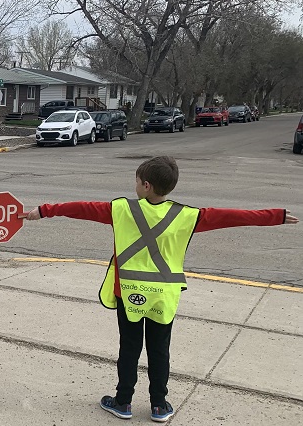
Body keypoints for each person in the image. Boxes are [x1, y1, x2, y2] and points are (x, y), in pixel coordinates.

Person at [23, 156, 297, 423]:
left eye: (137, 180)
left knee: (129, 348)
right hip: (164, 297)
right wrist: (276, 216)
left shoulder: (121, 210)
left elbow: (81, 208)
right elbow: (233, 217)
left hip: (128, 292)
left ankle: (123, 402)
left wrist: (45, 210)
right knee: (160, 349)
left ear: (146, 186)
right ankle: (158, 405)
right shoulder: (187, 216)